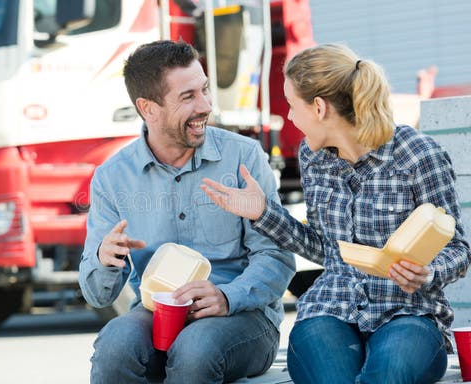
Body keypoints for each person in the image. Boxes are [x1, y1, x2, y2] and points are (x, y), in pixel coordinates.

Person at [201, 43, 471, 384]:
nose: (289, 117)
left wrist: (428, 273)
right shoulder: (313, 157)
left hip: (409, 313)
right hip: (330, 310)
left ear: (318, 107)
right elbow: (327, 250)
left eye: (291, 105)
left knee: (386, 376)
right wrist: (263, 213)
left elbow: (459, 251)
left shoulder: (418, 155)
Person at [79, 40, 296, 383]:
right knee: (114, 346)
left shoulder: (244, 157)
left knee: (196, 350)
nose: (206, 106)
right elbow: (97, 294)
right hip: (156, 314)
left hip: (243, 317)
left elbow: (277, 257)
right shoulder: (112, 177)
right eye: (188, 97)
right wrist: (105, 261)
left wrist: (227, 296)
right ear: (148, 108)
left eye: (205, 90)